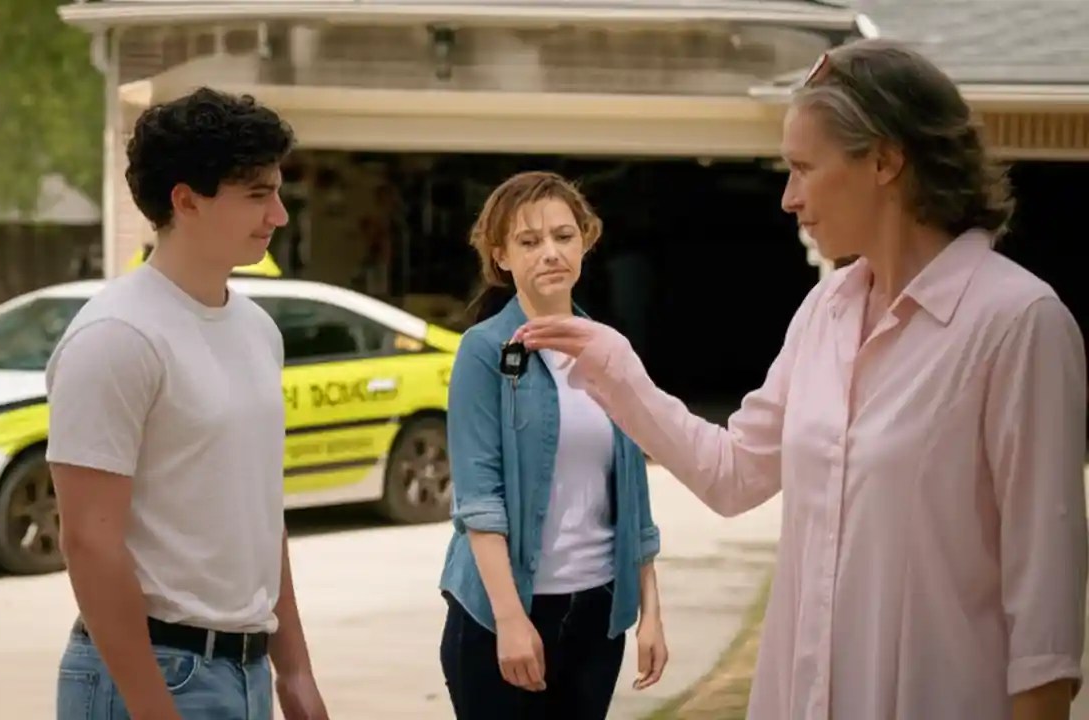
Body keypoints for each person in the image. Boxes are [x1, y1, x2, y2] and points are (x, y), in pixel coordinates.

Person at [517, 39, 1088, 720]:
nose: (787, 198)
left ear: (884, 160)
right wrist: (617, 370)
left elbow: (1046, 635)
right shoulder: (825, 311)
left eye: (802, 169)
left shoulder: (1018, 324)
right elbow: (733, 475)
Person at [46, 87, 329, 720]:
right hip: (151, 676)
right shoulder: (116, 336)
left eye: (277, 192)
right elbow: (89, 543)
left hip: (247, 672)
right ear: (185, 200)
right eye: (258, 194)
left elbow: (259, 517)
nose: (279, 215)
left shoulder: (259, 330)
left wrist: (295, 672)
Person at [438, 170, 668, 719]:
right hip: (504, 613)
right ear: (501, 256)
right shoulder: (483, 350)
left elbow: (633, 493)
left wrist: (651, 610)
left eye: (563, 236)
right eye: (529, 241)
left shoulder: (610, 350)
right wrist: (511, 620)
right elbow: (478, 501)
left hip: (597, 612)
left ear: (585, 242)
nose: (550, 253)